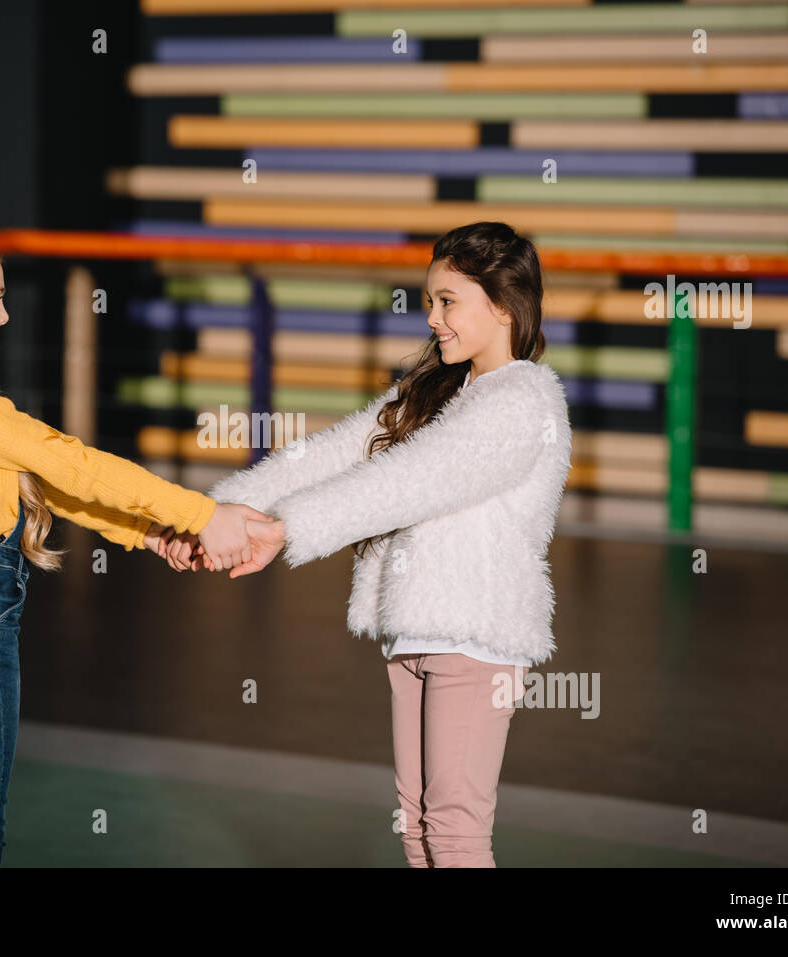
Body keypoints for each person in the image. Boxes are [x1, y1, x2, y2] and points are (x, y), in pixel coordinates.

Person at [171, 222, 573, 868]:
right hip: (415, 632)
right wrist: (217, 513)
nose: (432, 317)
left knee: (455, 833)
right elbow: (332, 454)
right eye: (429, 300)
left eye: (448, 300)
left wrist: (289, 530)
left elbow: (410, 482)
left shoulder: (524, 400)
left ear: (502, 305)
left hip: (475, 640)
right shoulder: (442, 388)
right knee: (418, 831)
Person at [0, 221, 267, 866]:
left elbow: (39, 486)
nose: (4, 315)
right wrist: (201, 514)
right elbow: (73, 465)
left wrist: (145, 532)